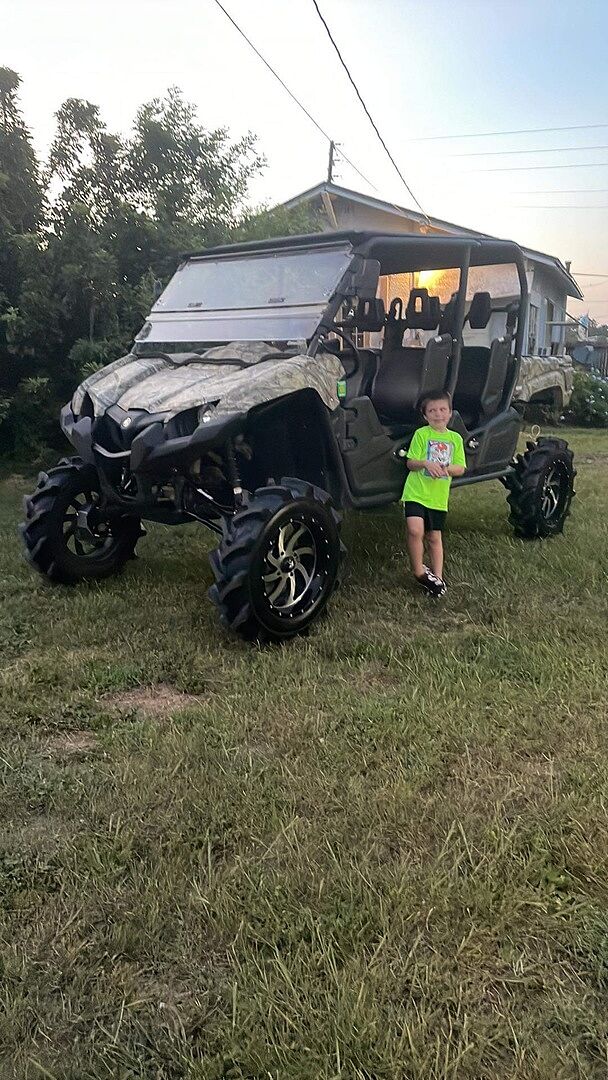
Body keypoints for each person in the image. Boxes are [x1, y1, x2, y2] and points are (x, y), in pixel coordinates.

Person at [401, 392, 466, 597]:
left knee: (434, 537)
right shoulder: (421, 434)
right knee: (414, 530)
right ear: (425, 415)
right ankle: (419, 571)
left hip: (437, 496)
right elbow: (411, 463)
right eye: (432, 410)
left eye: (442, 409)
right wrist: (426, 463)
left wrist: (446, 469)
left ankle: (437, 580)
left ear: (450, 413)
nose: (438, 414)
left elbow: (460, 468)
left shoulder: (455, 439)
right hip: (416, 492)